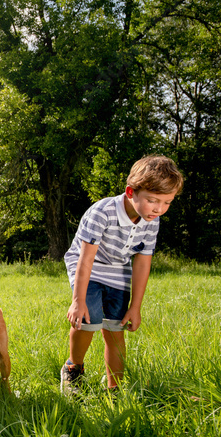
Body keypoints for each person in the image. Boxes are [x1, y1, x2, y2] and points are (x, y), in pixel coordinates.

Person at [61, 155, 184, 394]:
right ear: (131, 192)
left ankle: (114, 389)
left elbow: (142, 264)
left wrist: (135, 306)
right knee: (89, 319)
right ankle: (73, 368)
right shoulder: (102, 212)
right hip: (90, 264)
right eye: (152, 200)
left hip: (118, 268)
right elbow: (86, 260)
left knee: (116, 329)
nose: (159, 209)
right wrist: (78, 302)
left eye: (167, 202)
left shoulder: (152, 221)